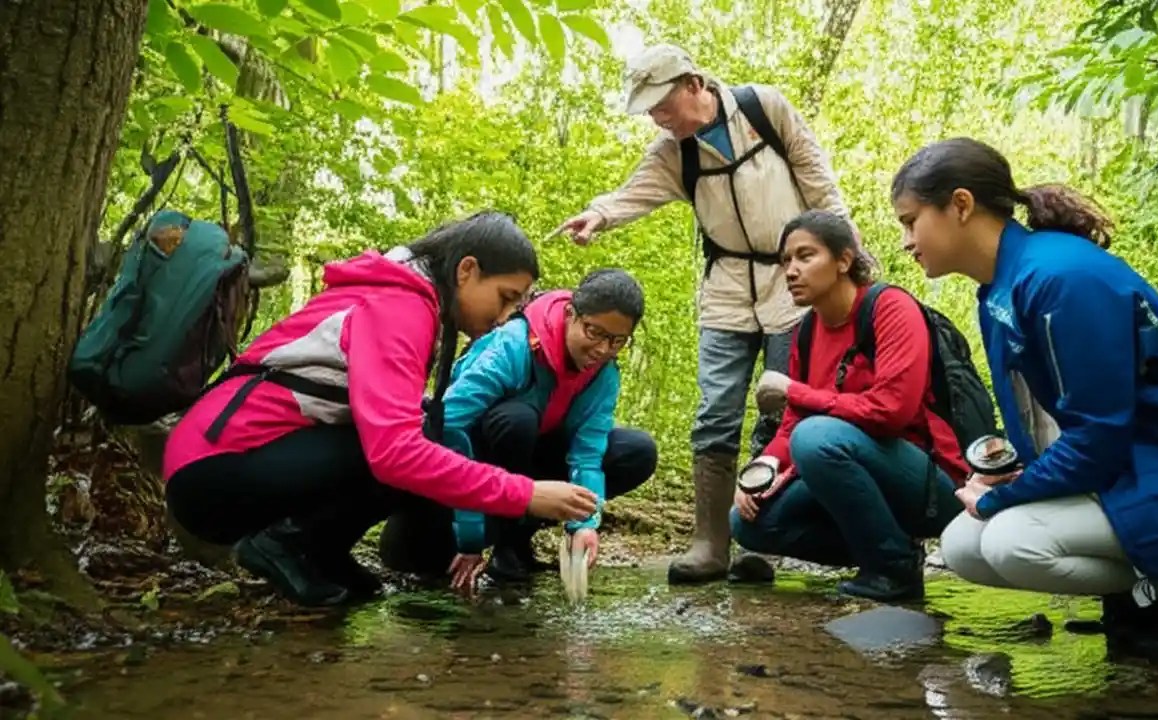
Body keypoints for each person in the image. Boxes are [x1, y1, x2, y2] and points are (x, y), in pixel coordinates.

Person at [891, 137, 1158, 658]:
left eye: (910, 221)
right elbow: (1049, 428)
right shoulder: (999, 291)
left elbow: (1099, 436)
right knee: (964, 546)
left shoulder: (1060, 278)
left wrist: (1002, 498)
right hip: (1139, 474)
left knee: (1012, 541)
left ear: (960, 205)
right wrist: (1004, 477)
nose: (907, 241)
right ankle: (1145, 597)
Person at [162, 211, 600, 607]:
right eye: (505, 296)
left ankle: (319, 551)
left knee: (428, 422)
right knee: (418, 439)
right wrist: (526, 495)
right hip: (211, 472)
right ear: (467, 270)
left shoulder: (411, 300)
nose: (507, 316)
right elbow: (396, 453)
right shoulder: (401, 308)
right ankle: (288, 544)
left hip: (234, 463)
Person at [556, 43, 863, 584]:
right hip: (725, 288)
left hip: (790, 283)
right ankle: (709, 543)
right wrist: (598, 216)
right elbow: (634, 194)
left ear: (694, 85)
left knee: (779, 405)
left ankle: (758, 538)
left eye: (663, 104)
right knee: (716, 411)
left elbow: (820, 186)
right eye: (650, 110)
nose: (657, 118)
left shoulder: (765, 110)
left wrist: (851, 260)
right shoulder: (674, 151)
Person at [726, 210, 968, 601]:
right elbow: (791, 425)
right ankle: (889, 548)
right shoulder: (805, 332)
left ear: (843, 261)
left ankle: (894, 570)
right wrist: (763, 467)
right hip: (848, 465)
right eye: (785, 260)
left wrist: (796, 393)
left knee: (815, 437)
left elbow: (892, 411)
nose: (791, 270)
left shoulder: (890, 308)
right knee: (749, 522)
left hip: (930, 484)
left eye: (805, 256)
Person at [377, 269, 658, 588]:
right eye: (594, 332)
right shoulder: (514, 345)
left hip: (531, 471)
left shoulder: (603, 375)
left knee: (635, 451)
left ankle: (513, 545)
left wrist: (584, 524)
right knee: (517, 419)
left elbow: (588, 453)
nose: (603, 349)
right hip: (471, 469)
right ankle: (492, 537)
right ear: (571, 315)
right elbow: (447, 424)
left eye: (617, 341)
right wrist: (470, 537)